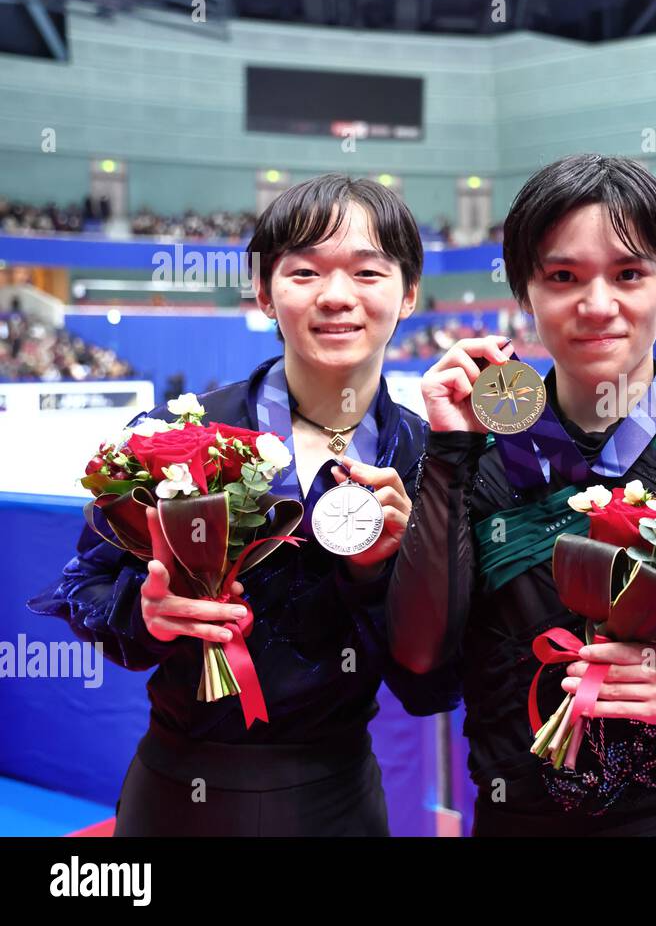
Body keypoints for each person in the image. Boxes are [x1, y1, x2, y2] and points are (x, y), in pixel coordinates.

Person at [386, 153, 656, 836]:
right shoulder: (474, 464)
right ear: (524, 293)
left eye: (628, 274)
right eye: (563, 277)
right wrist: (447, 454)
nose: (596, 305)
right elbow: (417, 670)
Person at [28, 173, 455, 836]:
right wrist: (144, 613)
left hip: (336, 801)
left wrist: (377, 575)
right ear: (263, 292)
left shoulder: (435, 466)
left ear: (409, 295)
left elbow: (432, 685)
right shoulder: (170, 435)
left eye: (368, 272)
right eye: (305, 271)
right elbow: (81, 589)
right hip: (178, 791)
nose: (336, 296)